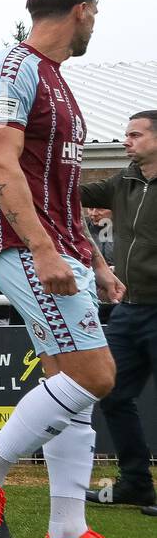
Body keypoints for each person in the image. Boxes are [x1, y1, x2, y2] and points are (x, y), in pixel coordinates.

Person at [0, 0, 154, 538]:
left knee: (78, 393)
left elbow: (62, 192)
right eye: (96, 14)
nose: (96, 24)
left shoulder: (55, 80)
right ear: (82, 11)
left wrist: (95, 260)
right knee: (95, 376)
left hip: (60, 248)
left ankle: (67, 531)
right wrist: (42, 250)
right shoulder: (12, 69)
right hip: (27, 248)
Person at [80, 111, 157, 512]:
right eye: (126, 133)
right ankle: (136, 482)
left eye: (135, 134)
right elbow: (74, 194)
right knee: (110, 391)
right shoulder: (124, 180)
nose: (126, 140)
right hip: (128, 309)